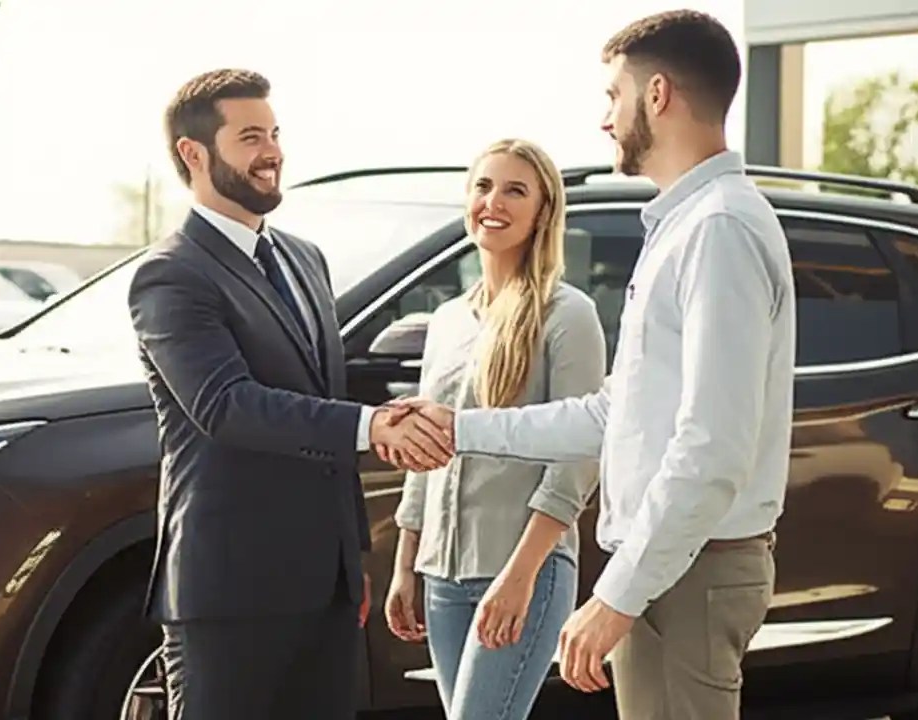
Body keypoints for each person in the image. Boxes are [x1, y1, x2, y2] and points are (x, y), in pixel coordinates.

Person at [386, 10, 796, 720]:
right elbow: (613, 415)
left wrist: (617, 596)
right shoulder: (685, 227)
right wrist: (461, 428)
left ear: (658, 94)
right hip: (673, 567)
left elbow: (713, 448)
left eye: (614, 95)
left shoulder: (719, 229)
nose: (606, 117)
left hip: (690, 572)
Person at [126, 68, 452, 720]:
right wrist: (373, 426)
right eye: (250, 137)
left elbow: (320, 399)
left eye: (274, 133)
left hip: (325, 593)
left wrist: (348, 559)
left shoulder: (306, 259)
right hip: (229, 597)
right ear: (195, 154)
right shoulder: (170, 275)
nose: (272, 151)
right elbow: (228, 406)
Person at [381, 138, 607, 720]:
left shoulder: (568, 315)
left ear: (542, 212)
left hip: (523, 570)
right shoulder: (448, 320)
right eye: (484, 186)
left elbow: (578, 457)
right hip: (442, 574)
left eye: (515, 190)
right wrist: (407, 564)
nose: (494, 202)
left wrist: (519, 576)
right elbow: (425, 451)